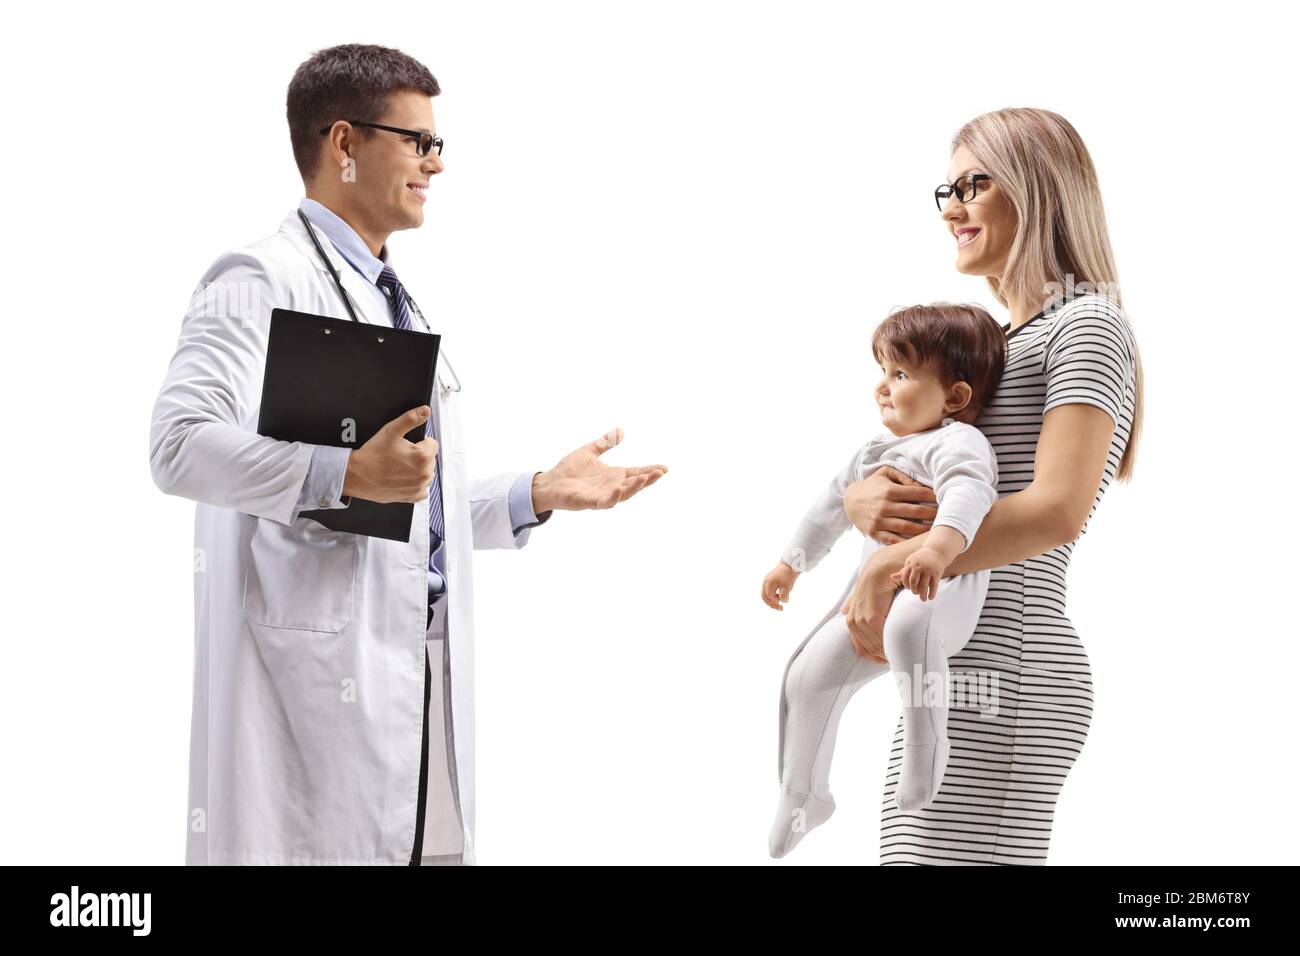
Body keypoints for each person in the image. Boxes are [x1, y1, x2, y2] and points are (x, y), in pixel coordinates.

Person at [148, 43, 667, 865]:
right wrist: (343, 472)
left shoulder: (394, 297)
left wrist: (537, 493)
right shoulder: (257, 277)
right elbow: (178, 447)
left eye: (437, 145)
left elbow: (404, 500)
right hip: (311, 687)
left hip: (419, 668)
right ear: (345, 144)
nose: (435, 164)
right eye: (416, 141)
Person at [836, 108, 1144, 864]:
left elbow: (1057, 510)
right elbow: (935, 480)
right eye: (947, 187)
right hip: (954, 668)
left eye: (977, 183)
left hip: (1013, 669)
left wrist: (889, 565)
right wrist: (858, 502)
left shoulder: (1088, 326)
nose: (953, 206)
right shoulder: (997, 348)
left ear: (1040, 190)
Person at [762, 303, 1005, 858]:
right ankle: (804, 795)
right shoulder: (871, 453)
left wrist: (938, 552)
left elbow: (971, 499)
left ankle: (927, 749)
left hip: (940, 588)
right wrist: (790, 564)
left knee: (907, 632)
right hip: (873, 599)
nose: (881, 387)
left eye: (900, 374)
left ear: (955, 397)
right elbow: (826, 510)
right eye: (881, 371)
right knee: (806, 676)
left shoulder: (959, 443)